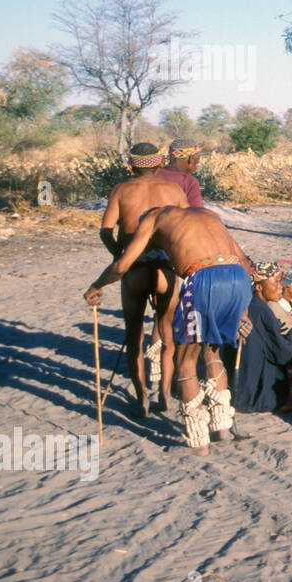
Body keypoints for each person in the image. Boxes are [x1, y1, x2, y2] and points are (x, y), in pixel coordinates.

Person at [84, 206, 254, 454]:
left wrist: (96, 285)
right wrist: (243, 310)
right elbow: (245, 262)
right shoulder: (208, 215)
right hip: (237, 277)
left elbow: (122, 266)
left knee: (186, 360)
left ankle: (198, 444)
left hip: (203, 278)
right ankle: (223, 428)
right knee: (213, 352)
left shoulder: (152, 218)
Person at [97, 142, 189, 415]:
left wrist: (120, 257)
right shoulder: (173, 190)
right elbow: (186, 226)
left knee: (134, 335)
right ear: (160, 165)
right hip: (166, 268)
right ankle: (164, 394)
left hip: (134, 268)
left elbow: (105, 231)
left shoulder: (121, 190)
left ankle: (141, 399)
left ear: (130, 166)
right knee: (168, 334)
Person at [232, 262, 292, 413]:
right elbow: (283, 354)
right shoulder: (261, 310)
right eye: (276, 283)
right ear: (259, 288)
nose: (280, 288)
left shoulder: (255, 306)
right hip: (254, 394)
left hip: (246, 388)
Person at [157, 138, 204, 208]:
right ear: (190, 159)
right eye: (196, 164)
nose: (195, 168)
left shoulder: (154, 173)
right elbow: (196, 212)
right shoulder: (190, 182)